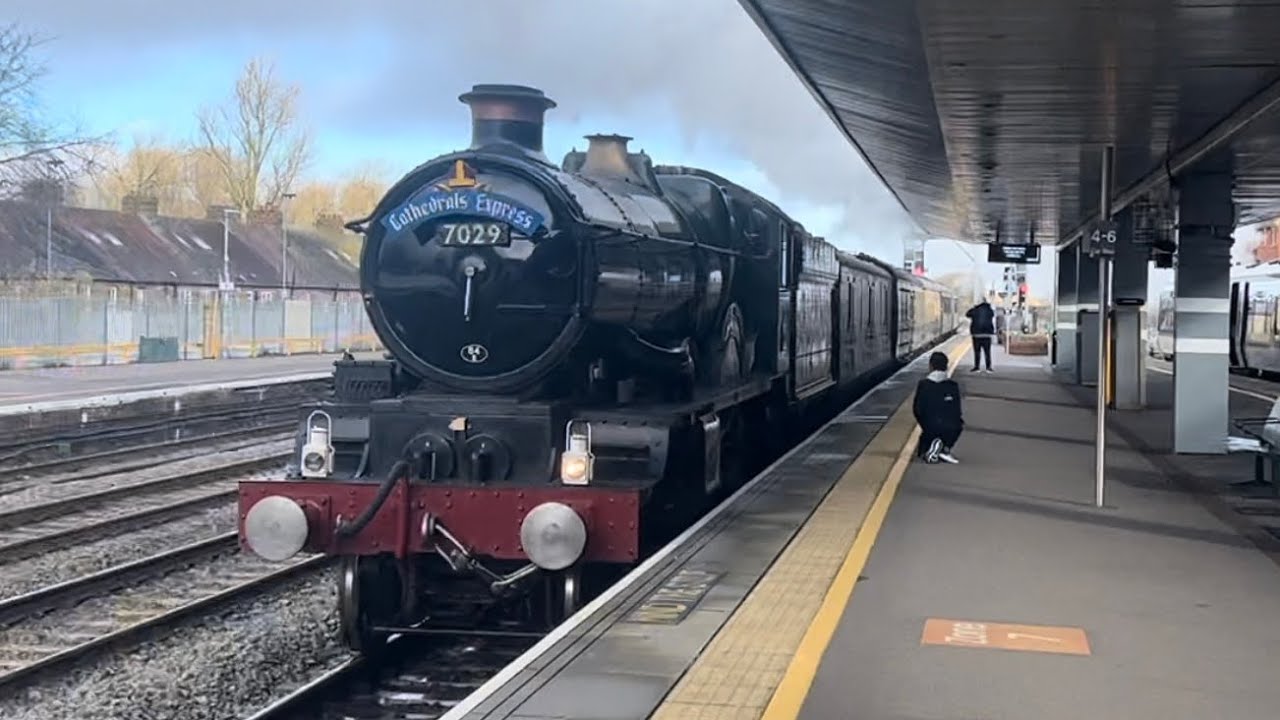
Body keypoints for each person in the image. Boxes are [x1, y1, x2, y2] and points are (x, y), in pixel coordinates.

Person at [912, 351, 963, 464]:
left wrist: (925, 424)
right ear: (946, 367)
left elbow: (917, 409)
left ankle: (930, 449)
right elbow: (957, 411)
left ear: (930, 366)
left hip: (929, 426)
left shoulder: (923, 384)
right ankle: (945, 448)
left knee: (926, 439)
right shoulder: (953, 386)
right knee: (957, 424)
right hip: (950, 428)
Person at [965, 298, 996, 372]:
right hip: (987, 335)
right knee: (987, 352)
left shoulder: (975, 310)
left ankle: (977, 367)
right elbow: (992, 315)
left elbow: (967, 314)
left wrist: (974, 307)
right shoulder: (989, 310)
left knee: (977, 352)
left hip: (977, 335)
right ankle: (988, 367)